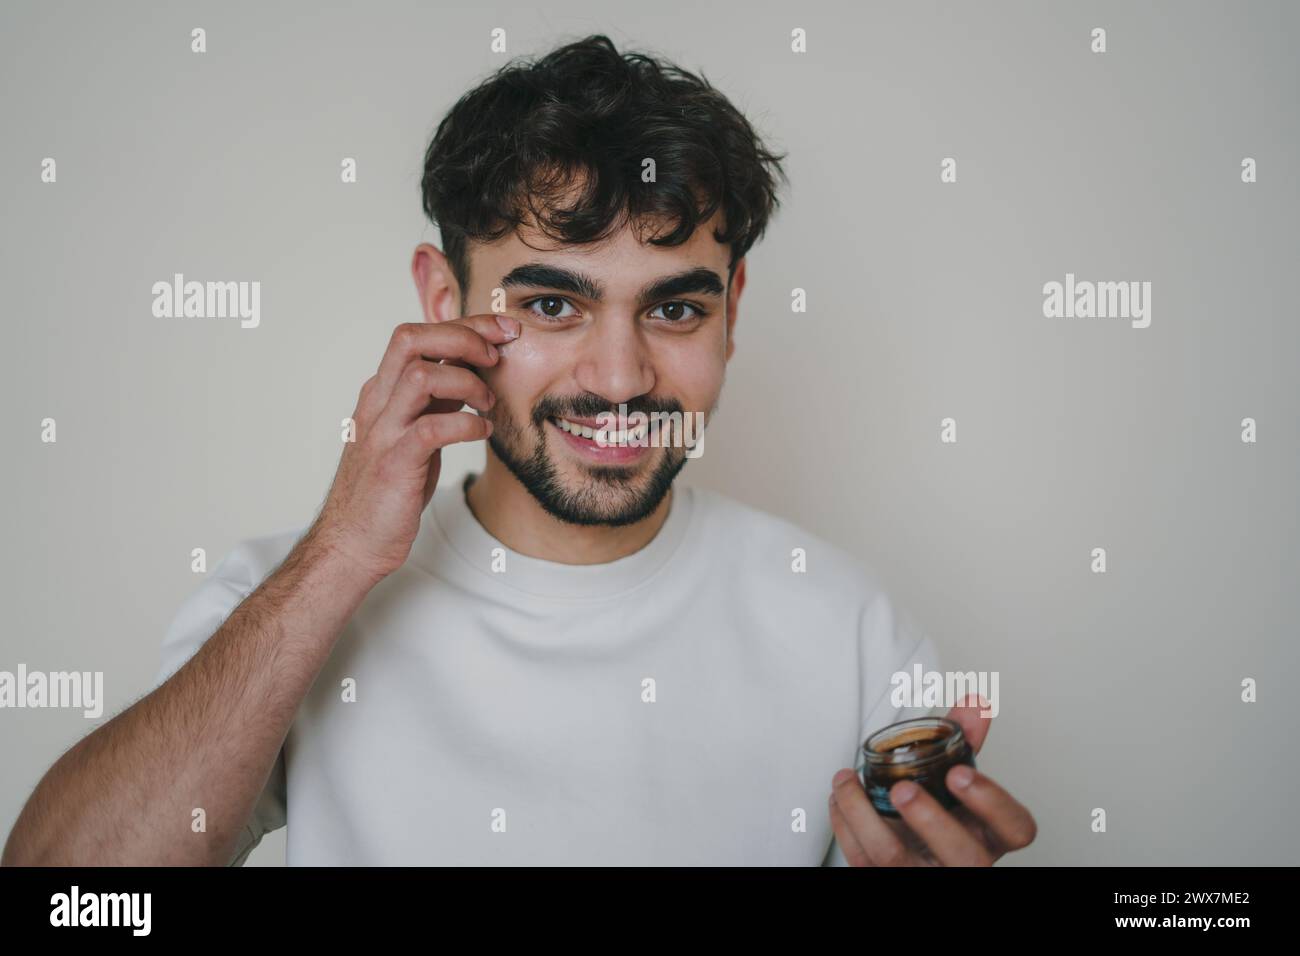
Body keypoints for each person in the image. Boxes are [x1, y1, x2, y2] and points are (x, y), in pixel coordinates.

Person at [2, 34, 1035, 866]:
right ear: (442, 301)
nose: (620, 379)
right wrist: (339, 558)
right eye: (550, 304)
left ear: (732, 313)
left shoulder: (850, 630)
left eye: (674, 307)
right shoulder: (285, 602)